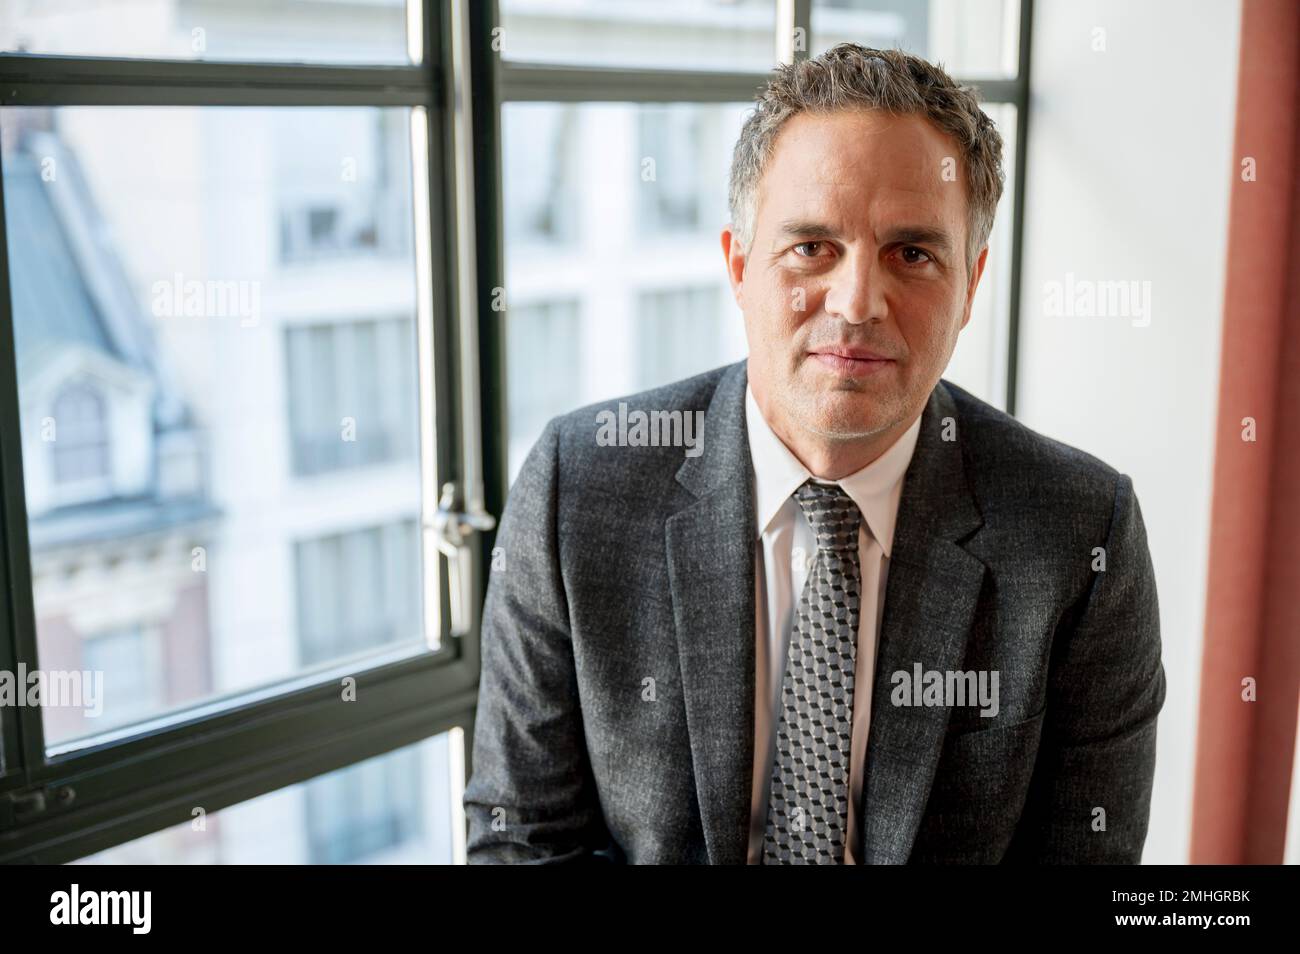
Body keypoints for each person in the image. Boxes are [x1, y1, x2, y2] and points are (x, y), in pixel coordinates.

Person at [463, 44, 1166, 864]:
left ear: (971, 287)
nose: (859, 302)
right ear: (738, 265)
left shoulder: (1082, 533)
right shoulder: (575, 488)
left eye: (912, 253)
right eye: (811, 247)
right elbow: (520, 844)